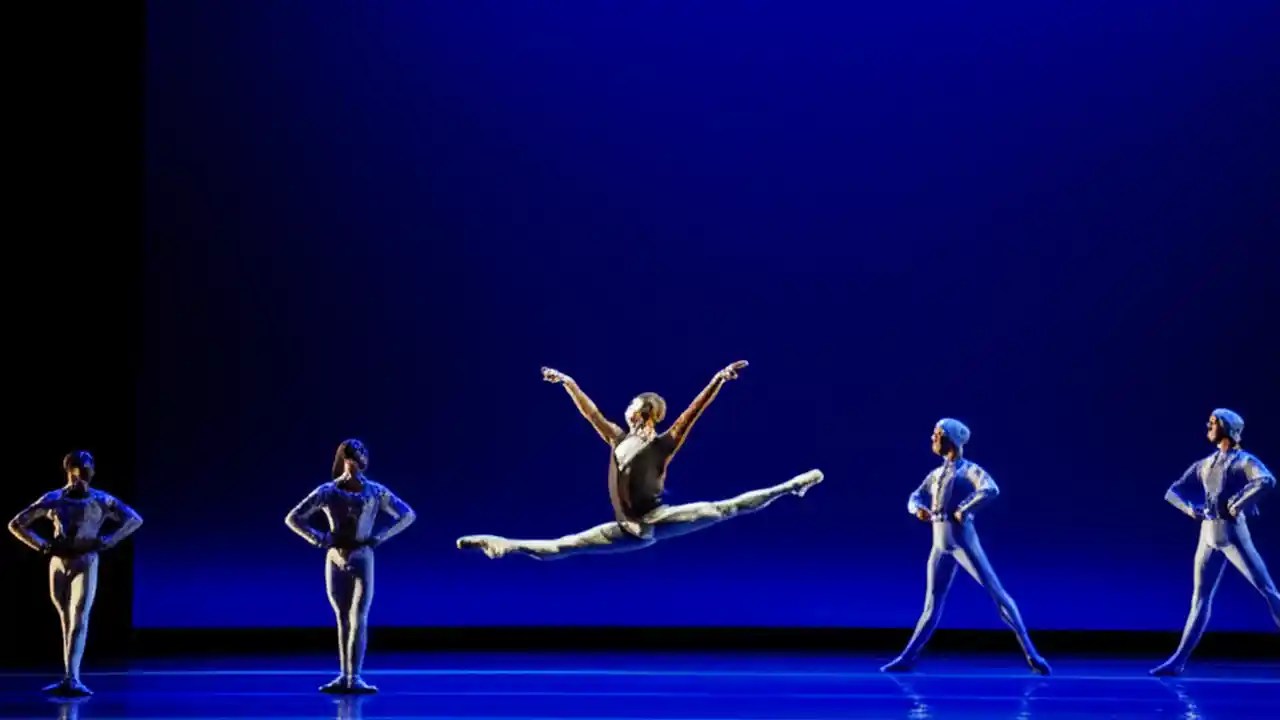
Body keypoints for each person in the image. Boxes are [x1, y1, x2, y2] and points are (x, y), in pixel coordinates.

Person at [457, 361, 823, 559]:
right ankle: (502, 541)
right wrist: (569, 383)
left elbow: (692, 413)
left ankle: (792, 486)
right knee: (561, 546)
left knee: (723, 508)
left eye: (632, 402)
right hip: (628, 528)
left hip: (658, 518)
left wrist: (718, 380)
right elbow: (591, 413)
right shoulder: (616, 437)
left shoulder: (665, 443)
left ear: (644, 411)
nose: (626, 405)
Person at [880, 419, 1051, 675]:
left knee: (997, 593)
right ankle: (908, 657)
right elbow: (914, 496)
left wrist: (965, 508)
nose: (933, 439)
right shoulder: (935, 475)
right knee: (931, 605)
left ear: (951, 439)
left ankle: (1031, 651)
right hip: (939, 544)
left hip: (962, 541)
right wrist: (918, 510)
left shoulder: (967, 470)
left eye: (938, 434)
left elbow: (990, 489)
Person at [1150, 409, 1279, 676]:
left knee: (1267, 590)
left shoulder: (1242, 460)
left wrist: (1241, 502)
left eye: (1213, 422)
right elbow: (1172, 491)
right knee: (1199, 599)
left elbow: (1266, 480)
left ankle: (1178, 661)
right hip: (1208, 534)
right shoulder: (1205, 464)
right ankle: (1178, 661)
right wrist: (1189, 509)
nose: (1208, 426)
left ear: (1228, 428)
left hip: (1232, 533)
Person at [285, 439, 417, 694]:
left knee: (358, 617)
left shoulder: (375, 492)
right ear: (346, 457)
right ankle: (345, 675)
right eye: (357, 453)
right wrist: (319, 538)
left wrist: (380, 536)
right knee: (342, 618)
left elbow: (407, 514)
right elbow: (293, 518)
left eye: (364, 453)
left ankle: (354, 676)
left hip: (362, 555)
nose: (362, 457)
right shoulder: (327, 491)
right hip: (335, 556)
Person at [7, 451, 144, 696]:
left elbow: (134, 519)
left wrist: (108, 540)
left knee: (78, 617)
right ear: (69, 470)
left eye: (87, 472)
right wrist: (42, 545)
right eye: (78, 471)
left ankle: (73, 677)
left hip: (85, 561)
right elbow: (17, 523)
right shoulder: (54, 499)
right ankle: (69, 677)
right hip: (59, 563)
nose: (82, 478)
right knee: (65, 619)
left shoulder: (101, 500)